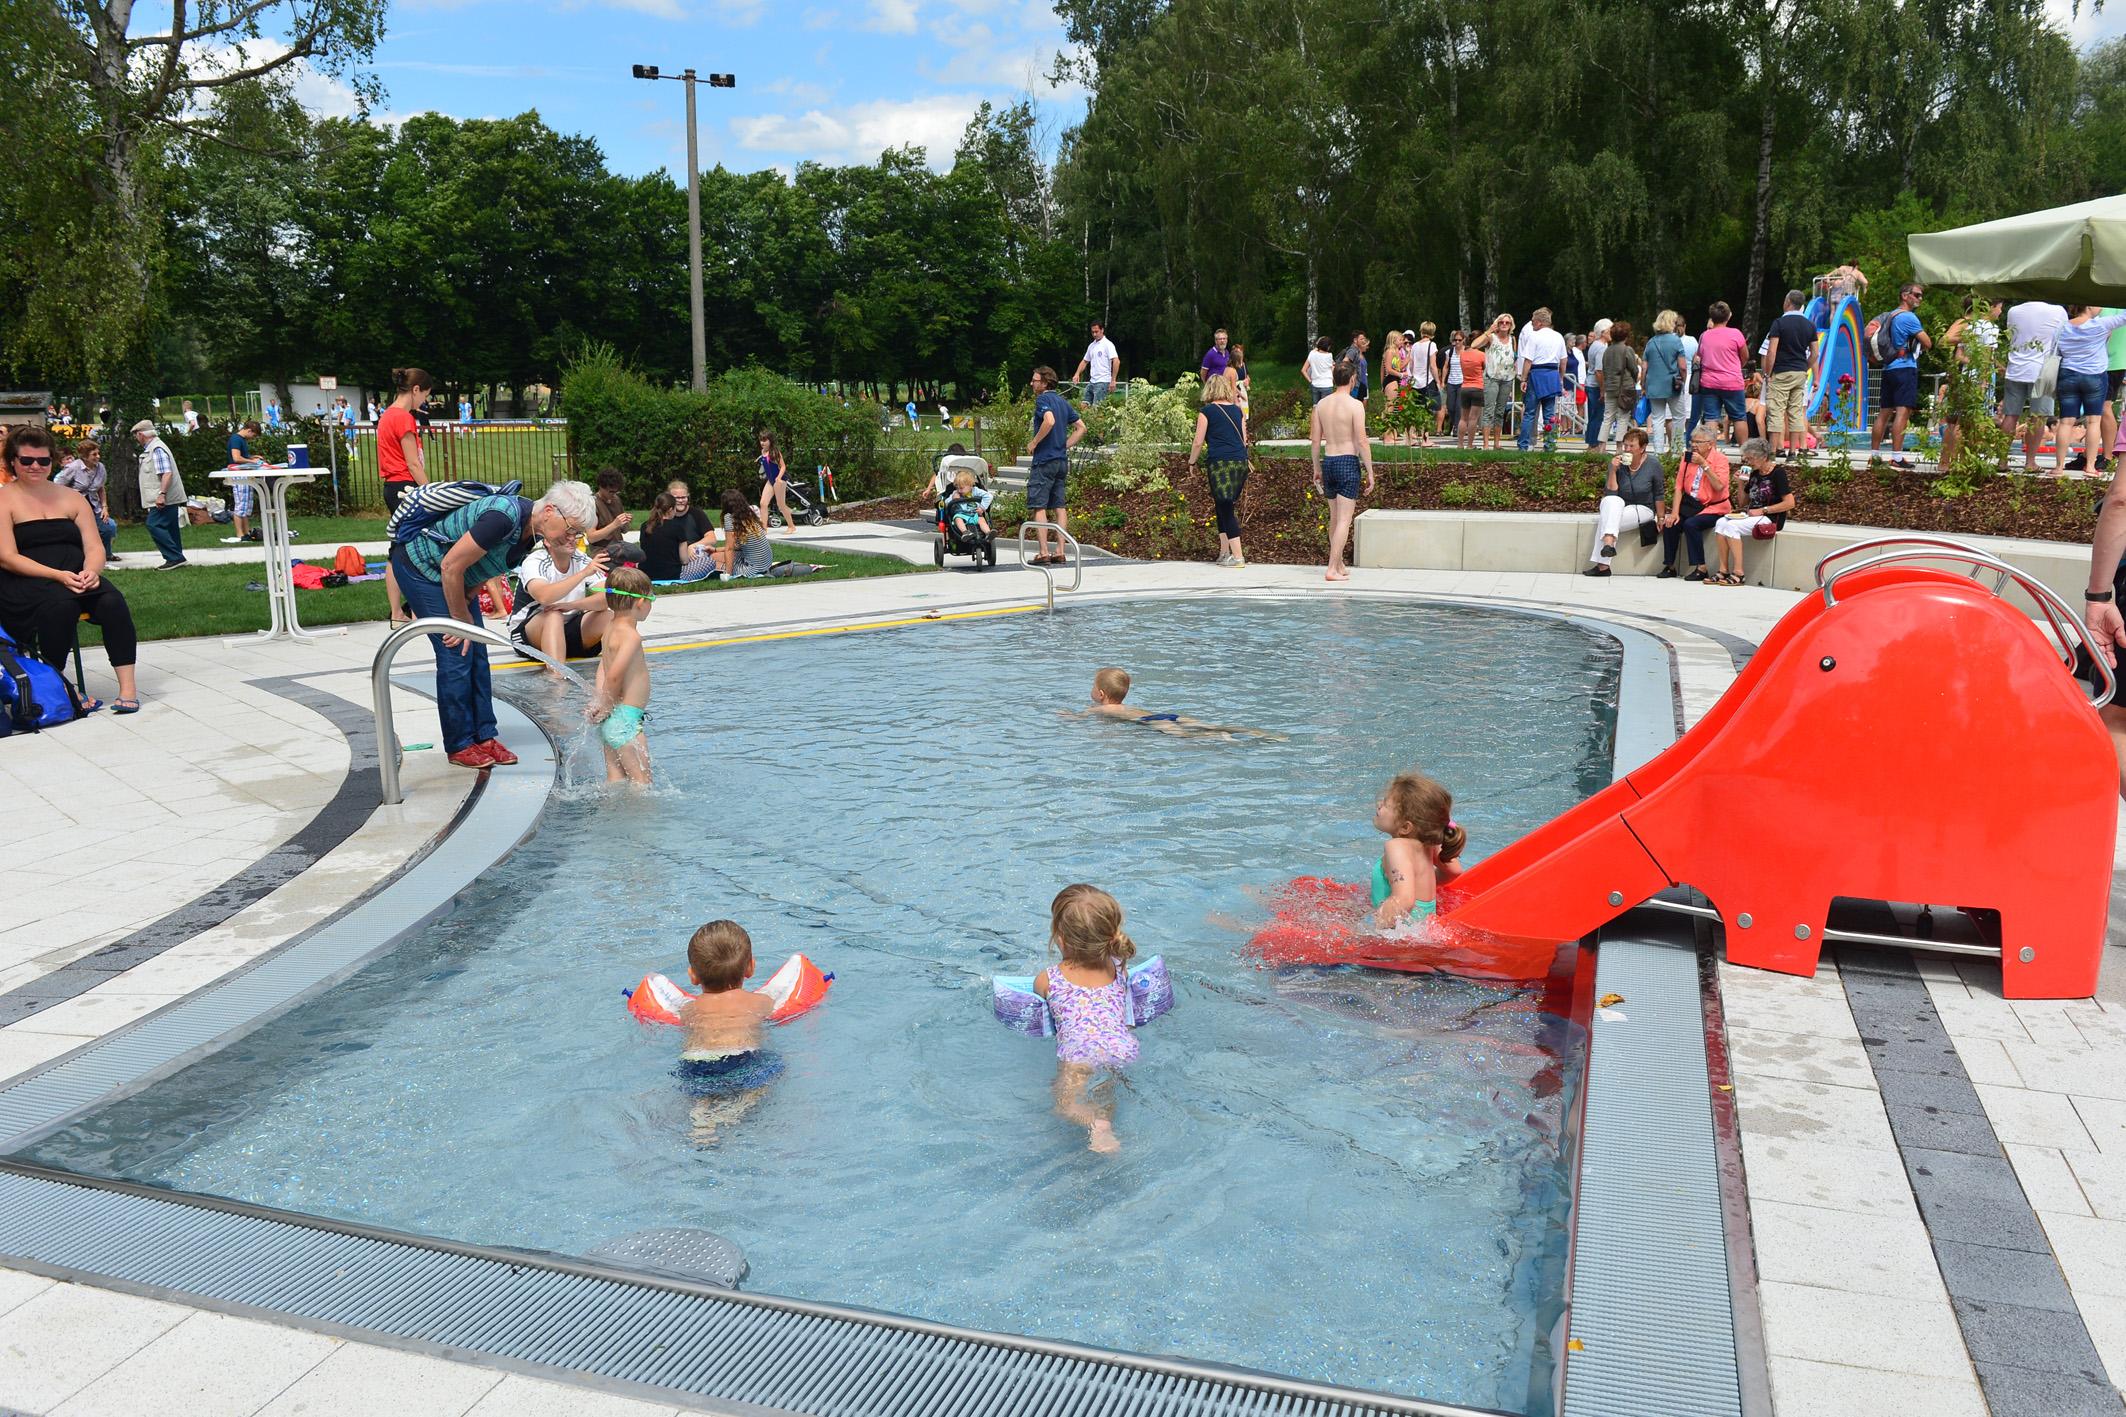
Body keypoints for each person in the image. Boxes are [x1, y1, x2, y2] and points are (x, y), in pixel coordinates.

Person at [387, 478, 596, 770]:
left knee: (478, 653)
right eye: (571, 529)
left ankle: (485, 735)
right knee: (456, 652)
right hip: (422, 567)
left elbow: (485, 565)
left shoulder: (532, 533)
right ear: (549, 511)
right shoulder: (502, 516)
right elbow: (450, 565)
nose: (572, 537)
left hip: (456, 577)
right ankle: (460, 743)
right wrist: (460, 621)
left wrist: (469, 602)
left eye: (579, 532)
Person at [0, 427, 141, 712]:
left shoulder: (71, 497)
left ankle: (128, 688)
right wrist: (57, 575)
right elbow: (7, 557)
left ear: (53, 461)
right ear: (12, 461)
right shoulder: (4, 500)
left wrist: (92, 571)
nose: (35, 467)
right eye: (27, 461)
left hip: (77, 575)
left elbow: (94, 546)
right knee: (60, 605)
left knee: (113, 602)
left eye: (43, 460)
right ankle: (61, 685)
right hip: (27, 578)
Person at [1030, 884, 1139, 1153]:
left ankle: (1096, 1124)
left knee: (1064, 1105)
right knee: (1105, 1092)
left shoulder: (1048, 979)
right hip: (1121, 1047)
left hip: (1080, 1051)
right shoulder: (1118, 967)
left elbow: (1037, 1000)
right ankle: (1104, 1122)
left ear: (1061, 939)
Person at [673, 920, 782, 1145]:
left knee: (703, 1093)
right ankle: (734, 1109)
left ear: (692, 976)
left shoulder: (688, 1009)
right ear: (750, 968)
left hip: (694, 1064)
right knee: (773, 1071)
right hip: (740, 1060)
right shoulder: (760, 1002)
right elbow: (777, 1011)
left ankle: (701, 1114)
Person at [508, 517, 611, 668]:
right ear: (547, 542)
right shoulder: (535, 561)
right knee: (553, 615)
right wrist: (583, 574)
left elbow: (608, 597)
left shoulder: (581, 559)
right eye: (565, 536)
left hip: (569, 629)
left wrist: (572, 605)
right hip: (530, 633)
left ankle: (613, 675)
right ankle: (557, 681)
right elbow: (544, 596)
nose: (571, 540)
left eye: (574, 534)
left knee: (611, 617)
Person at [1370, 770, 1466, 929]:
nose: (1379, 804)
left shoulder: (1396, 846)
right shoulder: (1429, 844)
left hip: (1403, 937)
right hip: (1425, 928)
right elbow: (1453, 871)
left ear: (1406, 827)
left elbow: (1404, 900)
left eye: (1386, 803)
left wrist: (1368, 931)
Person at [1080, 666, 1280, 740]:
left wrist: (1070, 716)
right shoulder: (1125, 707)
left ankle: (1218, 737)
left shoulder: (1102, 709)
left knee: (1189, 737)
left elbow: (1081, 717)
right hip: (1167, 715)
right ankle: (1251, 732)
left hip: (1151, 722)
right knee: (1206, 725)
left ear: (1100, 693)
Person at [377, 368, 435, 624]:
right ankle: (405, 610)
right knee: (415, 546)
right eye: (425, 395)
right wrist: (432, 492)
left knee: (399, 548)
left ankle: (400, 611)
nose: (424, 401)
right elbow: (413, 463)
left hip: (394, 486)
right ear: (415, 390)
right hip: (405, 486)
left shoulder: (387, 415)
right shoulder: (403, 418)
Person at [588, 566, 654, 786]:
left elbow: (604, 668)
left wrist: (600, 701)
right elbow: (615, 676)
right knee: (642, 782)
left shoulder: (610, 628)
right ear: (640, 602)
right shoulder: (631, 637)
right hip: (626, 722)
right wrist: (606, 706)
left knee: (615, 779)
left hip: (612, 720)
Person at [1311, 356, 1374, 582]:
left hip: (1329, 461)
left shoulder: (1321, 405)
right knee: (1344, 520)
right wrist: (1370, 471)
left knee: (1334, 517)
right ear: (1353, 379)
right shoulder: (1355, 406)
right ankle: (1331, 568)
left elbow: (1315, 442)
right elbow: (1362, 441)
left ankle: (1338, 563)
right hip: (1347, 461)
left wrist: (1316, 467)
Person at [2052, 307, 2126, 475]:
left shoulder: (2062, 327)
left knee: (2065, 422)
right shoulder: (2100, 325)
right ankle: (2091, 466)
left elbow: (2055, 350)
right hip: (2094, 376)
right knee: (2093, 421)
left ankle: (2058, 467)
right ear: (2089, 307)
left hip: (2068, 374)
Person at [1712, 438, 1796, 585]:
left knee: (1732, 527)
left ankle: (1739, 572)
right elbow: (1743, 502)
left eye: (1751, 458)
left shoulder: (1778, 473)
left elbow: (1790, 503)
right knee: (1721, 522)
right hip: (1752, 515)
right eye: (1747, 458)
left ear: (1763, 457)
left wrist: (1764, 510)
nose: (1748, 462)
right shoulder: (1754, 474)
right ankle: (1723, 570)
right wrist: (1740, 483)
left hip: (1770, 518)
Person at [1187, 371, 1249, 567]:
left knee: (1225, 507)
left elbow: (1198, 442)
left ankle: (1238, 556)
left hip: (1220, 463)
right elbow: (1244, 440)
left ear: (1209, 390)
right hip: (1240, 462)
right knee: (1221, 506)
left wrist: (1191, 462)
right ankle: (1224, 553)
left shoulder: (1206, 412)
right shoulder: (1238, 411)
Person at [1584, 428, 1665, 578]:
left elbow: (1659, 493)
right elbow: (1611, 493)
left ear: (1642, 448)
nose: (1627, 449)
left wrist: (1660, 517)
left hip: (1643, 508)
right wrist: (1613, 471)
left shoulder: (1653, 464)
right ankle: (1608, 545)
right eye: (1625, 445)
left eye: (1631, 446)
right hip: (1620, 505)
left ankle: (1603, 565)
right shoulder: (1618, 463)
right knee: (1611, 501)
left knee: (1606, 520)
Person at [2001, 299, 2069, 473]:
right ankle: (2030, 462)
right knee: (2038, 417)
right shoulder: (2058, 310)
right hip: (2043, 369)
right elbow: (2062, 337)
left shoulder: (2013, 311)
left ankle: (2002, 461)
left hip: (2015, 367)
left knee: (2010, 416)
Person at [1025, 366, 1083, 566]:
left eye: (1035, 380)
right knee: (1059, 506)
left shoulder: (1043, 400)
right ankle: (1060, 551)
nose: (1032, 383)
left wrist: (1034, 442)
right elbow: (1081, 427)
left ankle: (1043, 553)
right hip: (1060, 461)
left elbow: (1048, 421)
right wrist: (1065, 444)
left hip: (1045, 461)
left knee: (1039, 506)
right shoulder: (1063, 402)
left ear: (1045, 383)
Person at [1866, 284, 1931, 458]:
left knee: (1884, 412)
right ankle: (1896, 457)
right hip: (1905, 368)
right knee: (1902, 412)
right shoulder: (1909, 318)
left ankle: (1874, 456)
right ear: (1905, 295)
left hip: (1889, 368)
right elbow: (1928, 343)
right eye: (1917, 295)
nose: (1920, 298)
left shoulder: (1889, 316)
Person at [1937, 299, 2003, 469]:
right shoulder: (1988, 327)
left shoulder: (1970, 326)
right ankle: (1965, 463)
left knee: (1953, 421)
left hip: (1963, 376)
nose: (2001, 312)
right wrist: (1983, 378)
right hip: (1978, 378)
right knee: (1969, 423)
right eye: (2000, 308)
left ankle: (1944, 463)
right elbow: (1987, 357)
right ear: (1990, 307)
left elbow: (1959, 355)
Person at [1661, 426, 1732, 581]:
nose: (1694, 445)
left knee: (1691, 524)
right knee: (1671, 523)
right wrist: (1674, 512)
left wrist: (1704, 464)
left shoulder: (1721, 460)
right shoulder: (1687, 458)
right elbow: (1679, 487)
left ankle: (1701, 567)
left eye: (1698, 442)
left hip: (1714, 507)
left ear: (1710, 444)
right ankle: (1670, 565)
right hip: (1691, 505)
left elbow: (1719, 486)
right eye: (1692, 441)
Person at [1762, 289, 1818, 459]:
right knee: (1796, 412)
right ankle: (1793, 451)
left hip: (1781, 371)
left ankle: (1772, 451)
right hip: (1800, 372)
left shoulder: (1779, 323)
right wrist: (1805, 367)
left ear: (1787, 302)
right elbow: (1815, 353)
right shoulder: (1809, 325)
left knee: (1776, 411)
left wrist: (1768, 373)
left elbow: (1771, 351)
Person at [132, 419, 188, 570]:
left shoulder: (156, 449)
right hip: (168, 496)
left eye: (136, 435)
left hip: (163, 497)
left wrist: (161, 494)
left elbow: (166, 473)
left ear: (141, 434)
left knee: (153, 524)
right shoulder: (157, 447)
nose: (136, 439)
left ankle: (174, 557)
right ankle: (177, 557)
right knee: (170, 527)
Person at [1695, 301, 1750, 447]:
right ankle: (1744, 452)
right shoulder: (1736, 334)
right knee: (1739, 417)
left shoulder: (1704, 336)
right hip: (1732, 381)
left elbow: (1700, 356)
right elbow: (1745, 356)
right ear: (1729, 316)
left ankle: (1710, 452)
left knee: (1711, 418)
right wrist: (1737, 366)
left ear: (1711, 318)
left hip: (1709, 382)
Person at [1515, 308, 1567, 451]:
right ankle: (1550, 445)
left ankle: (1523, 445)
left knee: (1530, 413)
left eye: (1533, 322)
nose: (1531, 324)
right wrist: (1560, 378)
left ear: (1539, 322)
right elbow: (1563, 360)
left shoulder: (1534, 336)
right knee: (1549, 414)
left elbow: (1528, 360)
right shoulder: (1558, 336)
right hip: (1552, 374)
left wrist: (1524, 379)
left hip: (1536, 374)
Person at [54, 439, 115, 561]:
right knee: (80, 533)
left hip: (93, 504)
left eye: (98, 453)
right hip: (75, 505)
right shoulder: (73, 468)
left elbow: (101, 488)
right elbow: (57, 486)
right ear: (85, 456)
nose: (98, 456)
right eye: (94, 454)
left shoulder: (100, 467)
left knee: (109, 527)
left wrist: (104, 507)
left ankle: (106, 554)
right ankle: (82, 556)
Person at [1641, 312, 1689, 453]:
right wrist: (1683, 381)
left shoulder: (1651, 342)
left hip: (1654, 386)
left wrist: (1644, 384)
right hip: (1672, 385)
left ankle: (1658, 452)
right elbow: (1683, 366)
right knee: (1679, 417)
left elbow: (1644, 367)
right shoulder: (1676, 341)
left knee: (1657, 419)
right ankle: (1677, 450)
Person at [1470, 314, 1516, 452]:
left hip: (1507, 378)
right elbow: (1474, 345)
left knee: (1500, 411)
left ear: (1511, 325)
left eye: (1507, 322)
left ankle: (1497, 443)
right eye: (1501, 322)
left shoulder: (1512, 339)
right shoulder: (1491, 337)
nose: (1504, 324)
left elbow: (1514, 356)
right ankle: (1485, 444)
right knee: (1489, 410)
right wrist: (1488, 331)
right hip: (1492, 377)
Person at [1599, 322, 1641, 455]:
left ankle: (1602, 447)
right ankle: (1619, 448)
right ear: (1626, 336)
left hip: (1610, 387)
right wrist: (1635, 378)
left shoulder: (1607, 350)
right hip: (1625, 387)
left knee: (1607, 417)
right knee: (1623, 418)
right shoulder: (1627, 349)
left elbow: (1604, 369)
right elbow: (1634, 369)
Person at [715, 489, 775, 580]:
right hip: (766, 564)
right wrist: (715, 549)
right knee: (717, 554)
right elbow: (739, 546)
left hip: (753, 569)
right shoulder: (750, 513)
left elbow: (729, 549)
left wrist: (728, 574)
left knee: (713, 559)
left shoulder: (729, 518)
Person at [224, 419, 263, 544]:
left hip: (244, 474)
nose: (253, 438)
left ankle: (246, 533)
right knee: (240, 505)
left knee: (246, 506)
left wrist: (253, 457)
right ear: (249, 430)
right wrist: (253, 462)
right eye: (254, 435)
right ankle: (240, 534)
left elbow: (243, 456)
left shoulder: (242, 440)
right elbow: (236, 458)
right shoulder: (236, 439)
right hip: (238, 475)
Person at [586, 466, 633, 560]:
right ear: (601, 487)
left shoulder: (616, 499)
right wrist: (614, 524)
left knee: (641, 556)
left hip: (619, 548)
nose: (613, 494)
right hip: (602, 552)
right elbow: (591, 537)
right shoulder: (592, 503)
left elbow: (625, 530)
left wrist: (625, 522)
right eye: (611, 491)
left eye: (616, 492)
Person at [755, 432, 799, 532]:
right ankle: (764, 528)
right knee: (763, 503)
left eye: (765, 440)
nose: (762, 443)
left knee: (781, 505)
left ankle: (791, 526)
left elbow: (783, 466)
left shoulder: (774, 452)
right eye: (761, 440)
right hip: (771, 481)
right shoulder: (763, 451)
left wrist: (779, 478)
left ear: (770, 441)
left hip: (779, 481)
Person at [1070, 322, 1121, 404]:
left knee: (1097, 410)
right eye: (1092, 332)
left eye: (1096, 331)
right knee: (1084, 405)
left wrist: (1113, 380)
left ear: (1102, 330)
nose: (1094, 334)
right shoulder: (1091, 346)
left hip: (1103, 381)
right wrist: (1077, 374)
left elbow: (1116, 361)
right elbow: (1085, 361)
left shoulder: (1108, 344)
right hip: (1092, 381)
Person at [941, 466, 994, 540]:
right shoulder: (955, 493)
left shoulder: (975, 491)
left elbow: (989, 496)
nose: (959, 490)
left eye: (961, 488)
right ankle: (965, 532)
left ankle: (988, 533)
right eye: (957, 488)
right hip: (961, 514)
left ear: (970, 486)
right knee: (957, 518)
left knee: (981, 520)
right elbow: (946, 503)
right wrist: (953, 498)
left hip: (974, 513)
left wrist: (982, 508)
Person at [1410, 322, 1442, 442]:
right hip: (1428, 381)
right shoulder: (1432, 345)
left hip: (1416, 382)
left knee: (1416, 409)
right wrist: (1438, 381)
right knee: (1429, 410)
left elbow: (1412, 364)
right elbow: (1433, 366)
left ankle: (1412, 436)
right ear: (1432, 332)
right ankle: (1425, 438)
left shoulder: (1415, 346)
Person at [1583, 319, 1612, 448]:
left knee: (1593, 415)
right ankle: (1594, 444)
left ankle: (1591, 443)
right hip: (1595, 386)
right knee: (1598, 416)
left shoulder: (1595, 345)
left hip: (1590, 383)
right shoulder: (1601, 348)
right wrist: (1603, 389)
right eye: (1609, 330)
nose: (1612, 332)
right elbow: (1599, 371)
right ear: (1603, 332)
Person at [1455, 332, 1486, 449]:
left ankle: (1460, 444)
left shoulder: (1462, 354)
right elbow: (1485, 367)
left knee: (1463, 418)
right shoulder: (1481, 355)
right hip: (1477, 387)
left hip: (1464, 387)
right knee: (1473, 418)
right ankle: (1470, 444)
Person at [1379, 330, 1409, 444]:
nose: (1402, 342)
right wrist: (1401, 374)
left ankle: (1392, 432)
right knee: (1390, 407)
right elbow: (1388, 369)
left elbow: (1399, 366)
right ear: (1394, 340)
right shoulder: (1390, 351)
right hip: (1391, 380)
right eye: (1400, 339)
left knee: (1394, 407)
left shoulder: (1397, 351)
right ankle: (1387, 435)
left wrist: (1409, 355)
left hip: (1396, 379)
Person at [1441, 329, 1467, 443]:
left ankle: (1457, 427)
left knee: (1458, 406)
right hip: (1451, 381)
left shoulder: (1466, 352)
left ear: (1463, 340)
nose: (1457, 342)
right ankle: (1454, 423)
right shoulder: (1449, 352)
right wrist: (1443, 381)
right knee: (1450, 406)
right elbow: (1446, 366)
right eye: (1455, 340)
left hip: (1463, 381)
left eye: (1459, 340)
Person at [1303, 336, 1335, 405]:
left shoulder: (1312, 354)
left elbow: (1303, 370)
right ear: (1328, 347)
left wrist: (1310, 381)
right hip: (1327, 385)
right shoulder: (1329, 356)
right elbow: (1332, 368)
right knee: (1325, 410)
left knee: (1315, 408)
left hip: (1315, 384)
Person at [1341, 331, 1371, 402]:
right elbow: (1344, 362)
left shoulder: (1356, 351)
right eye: (1361, 339)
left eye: (1364, 339)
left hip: (1358, 383)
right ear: (1355, 340)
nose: (1363, 341)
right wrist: (1351, 376)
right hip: (1354, 385)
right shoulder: (1353, 350)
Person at [1229, 342, 1251, 409]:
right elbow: (1231, 385)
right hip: (1235, 392)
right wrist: (1241, 396)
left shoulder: (1244, 364)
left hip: (1243, 389)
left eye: (1240, 352)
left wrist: (1247, 381)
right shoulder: (1231, 368)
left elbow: (1247, 376)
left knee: (1245, 410)